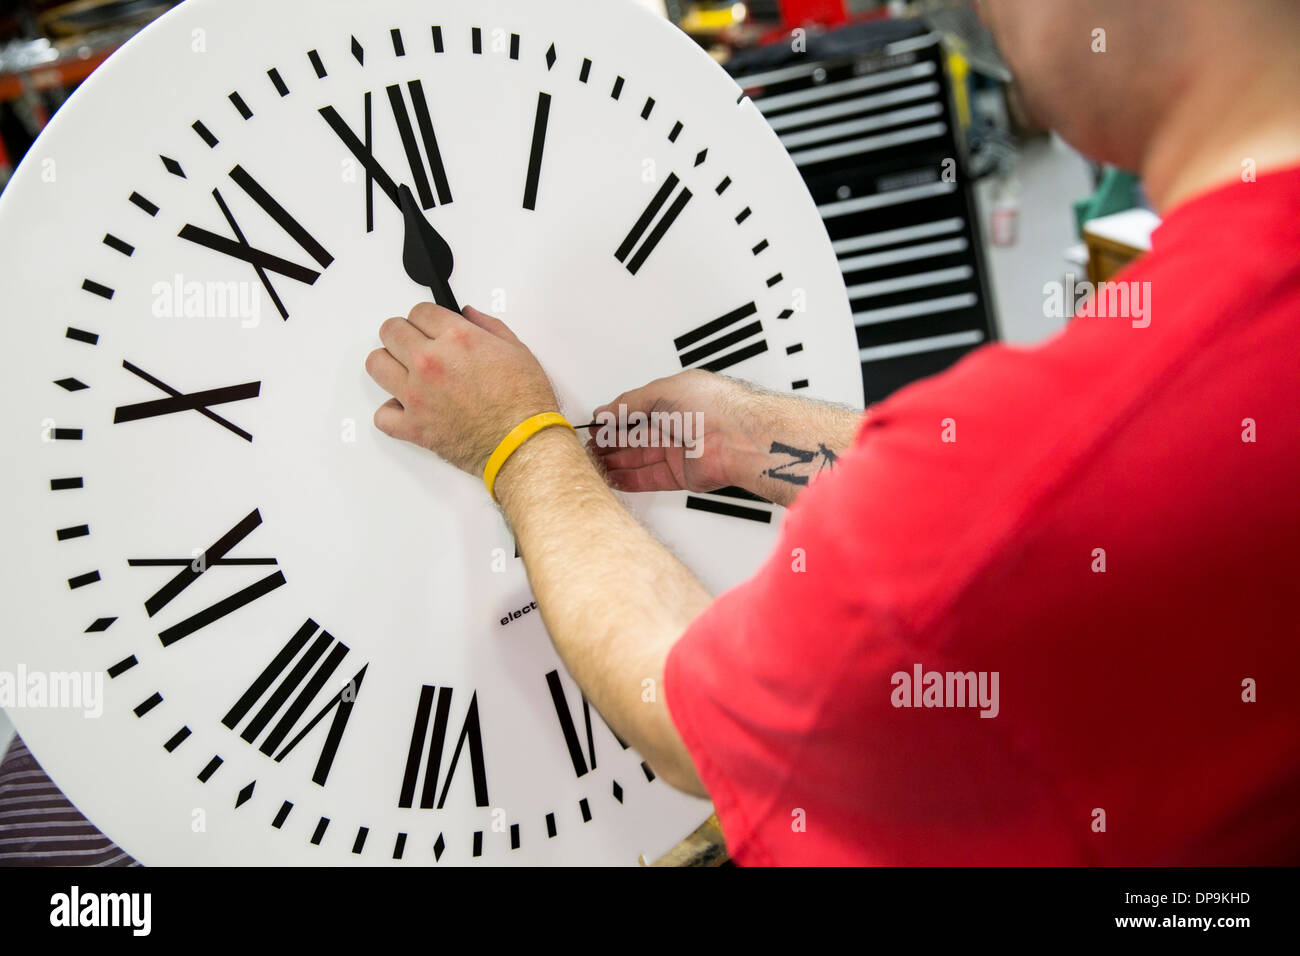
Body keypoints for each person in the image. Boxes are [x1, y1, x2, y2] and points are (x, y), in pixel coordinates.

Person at [363, 0, 1300, 864]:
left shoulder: (1103, 422)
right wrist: (753, 437)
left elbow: (685, 710)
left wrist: (517, 440)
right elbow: (1066, 508)